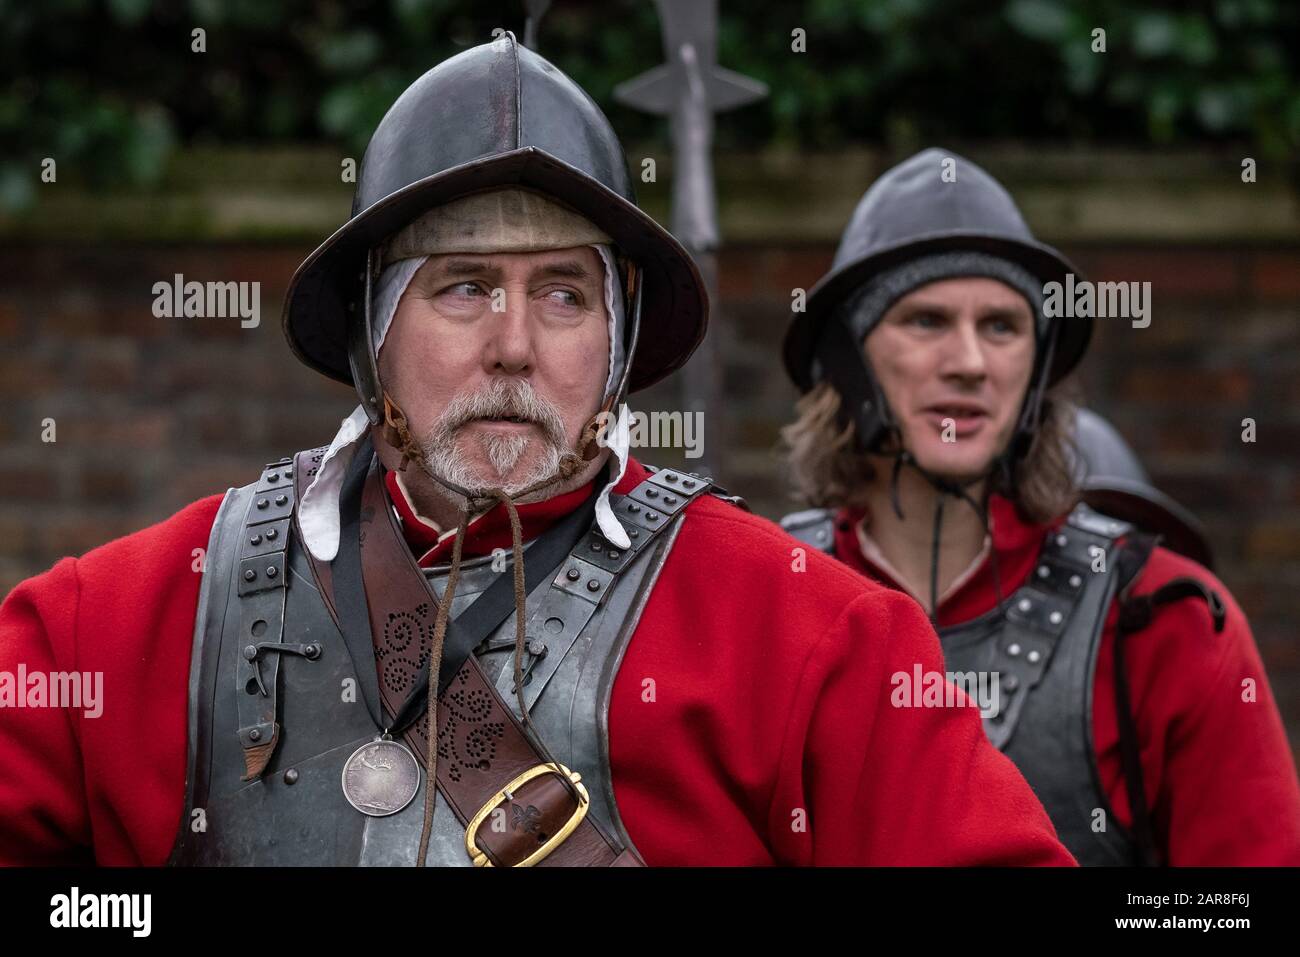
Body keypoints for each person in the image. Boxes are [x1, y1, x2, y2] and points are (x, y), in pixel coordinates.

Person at [0, 40, 1072, 867]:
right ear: (373, 332)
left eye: (563, 293)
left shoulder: (816, 639)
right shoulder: (123, 620)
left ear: (615, 343)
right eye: (462, 286)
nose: (513, 346)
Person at [780, 148, 1300, 865]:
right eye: (925, 320)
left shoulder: (1164, 617)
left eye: (1002, 325)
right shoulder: (767, 601)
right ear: (847, 360)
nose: (970, 360)